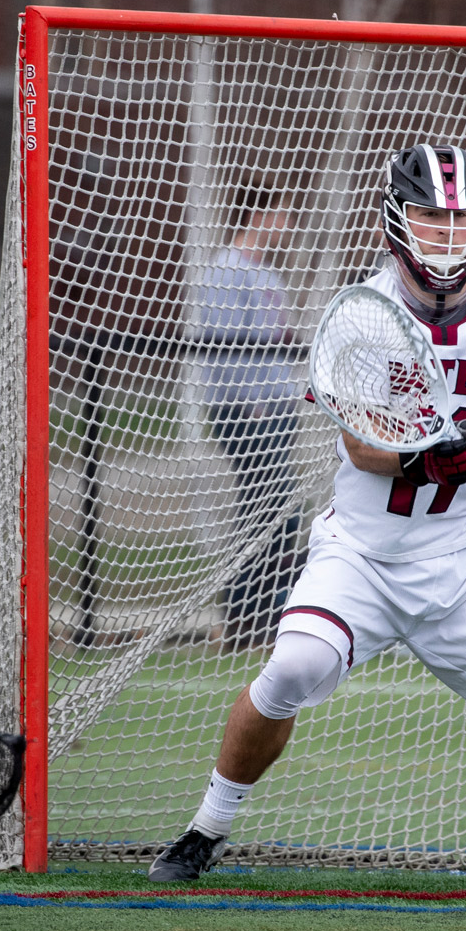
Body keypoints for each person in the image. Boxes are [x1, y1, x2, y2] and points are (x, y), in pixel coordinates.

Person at [149, 144, 466, 890]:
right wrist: (421, 459)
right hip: (365, 551)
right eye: (429, 217)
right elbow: (359, 443)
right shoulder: (362, 315)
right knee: (290, 670)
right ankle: (205, 828)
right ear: (395, 220)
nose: (447, 233)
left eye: (460, 218)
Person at [192, 181, 301, 649]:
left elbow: (275, 337)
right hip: (246, 410)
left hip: (278, 409)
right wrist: (253, 400)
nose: (289, 225)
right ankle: (241, 615)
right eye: (282, 213)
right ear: (259, 215)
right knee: (266, 510)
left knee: (280, 512)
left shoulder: (268, 276)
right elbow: (226, 347)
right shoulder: (226, 270)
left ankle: (266, 611)